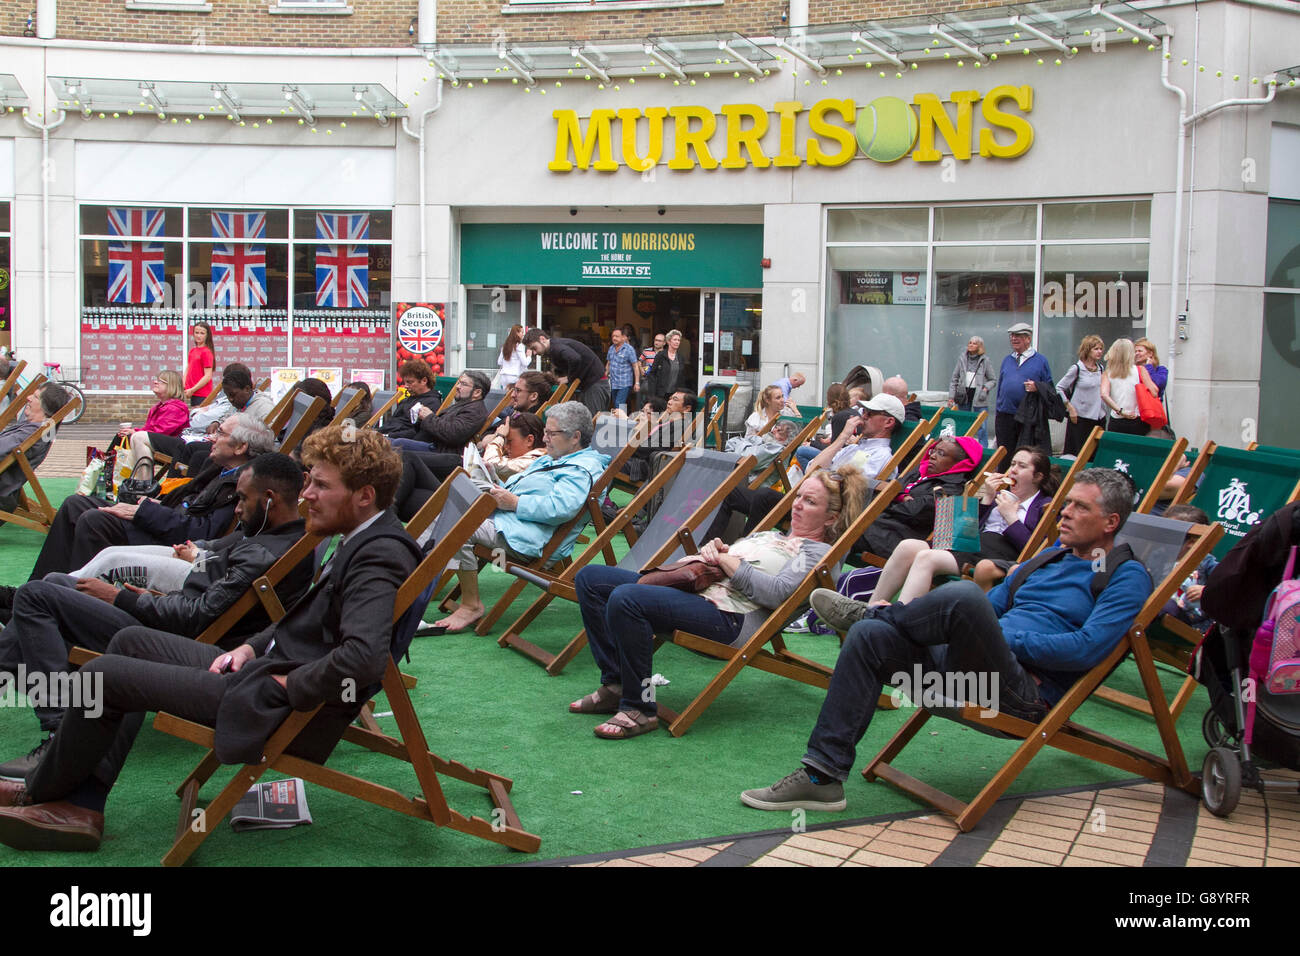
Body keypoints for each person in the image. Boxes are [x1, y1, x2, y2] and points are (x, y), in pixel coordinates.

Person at [0, 424, 420, 851]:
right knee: (128, 641)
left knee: (106, 675)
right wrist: (250, 646)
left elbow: (363, 658)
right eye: (309, 480)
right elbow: (306, 619)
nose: (306, 493)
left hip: (275, 703)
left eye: (321, 485)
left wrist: (289, 684)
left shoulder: (378, 554)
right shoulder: (362, 538)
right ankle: (79, 802)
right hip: (262, 670)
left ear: (365, 495)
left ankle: (43, 791)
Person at [739, 469, 1151, 812]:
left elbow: (1087, 648)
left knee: (963, 595)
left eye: (1081, 507)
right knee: (868, 636)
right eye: (1067, 503)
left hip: (1018, 694)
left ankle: (876, 611)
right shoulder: (1045, 559)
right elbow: (994, 610)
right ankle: (821, 777)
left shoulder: (1124, 575)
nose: (1065, 513)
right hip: (965, 674)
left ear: (1110, 522)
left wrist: (1007, 639)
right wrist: (992, 633)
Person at [0, 453, 312, 780]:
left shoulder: (261, 551)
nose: (236, 508)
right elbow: (204, 591)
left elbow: (197, 616)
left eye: (243, 500)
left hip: (170, 638)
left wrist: (119, 597)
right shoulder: (270, 537)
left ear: (269, 499)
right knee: (53, 584)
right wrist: (149, 597)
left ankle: (57, 732)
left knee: (36, 596)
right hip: (165, 619)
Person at [568, 467, 871, 739]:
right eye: (799, 496)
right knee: (591, 579)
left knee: (627, 599)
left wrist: (729, 561)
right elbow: (732, 563)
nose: (797, 504)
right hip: (699, 595)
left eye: (810, 502)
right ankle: (616, 685)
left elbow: (779, 593)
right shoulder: (771, 535)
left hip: (729, 618)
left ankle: (640, 707)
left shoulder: (817, 555)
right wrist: (720, 550)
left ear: (831, 517)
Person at [25, 413, 275, 581]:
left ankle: (72, 598)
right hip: (168, 520)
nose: (211, 438)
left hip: (176, 540)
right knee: (74, 505)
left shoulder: (242, 483)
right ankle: (40, 586)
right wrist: (156, 505)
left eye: (220, 433)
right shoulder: (224, 469)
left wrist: (145, 511)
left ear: (241, 447)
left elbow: (204, 532)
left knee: (94, 520)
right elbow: (191, 508)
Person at [431, 402, 609, 633]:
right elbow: (529, 492)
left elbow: (561, 508)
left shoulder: (581, 469)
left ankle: (470, 604)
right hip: (514, 526)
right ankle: (413, 582)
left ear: (575, 437)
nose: (544, 439)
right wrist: (493, 480)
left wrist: (515, 503)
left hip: (529, 540)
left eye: (550, 433)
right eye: (545, 432)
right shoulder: (556, 458)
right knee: (445, 514)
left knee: (459, 527)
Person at [868, 446, 1058, 604]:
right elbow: (967, 529)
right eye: (1012, 464)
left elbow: (1035, 551)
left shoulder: (1044, 506)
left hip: (997, 554)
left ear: (1038, 476)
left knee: (927, 558)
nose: (1013, 470)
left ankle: (900, 621)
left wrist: (1011, 519)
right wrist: (988, 499)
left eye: (1022, 466)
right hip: (970, 545)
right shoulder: (1001, 496)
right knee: (907, 545)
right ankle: (870, 609)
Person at [704, 394, 904, 544]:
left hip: (827, 515)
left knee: (764, 497)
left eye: (870, 413)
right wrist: (842, 437)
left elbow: (850, 491)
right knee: (731, 492)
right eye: (864, 412)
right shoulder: (852, 447)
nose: (864, 416)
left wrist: (824, 475)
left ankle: (744, 549)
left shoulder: (883, 457)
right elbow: (811, 469)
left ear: (888, 422)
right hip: (808, 501)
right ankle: (706, 546)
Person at [856, 435, 983, 557]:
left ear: (959, 463)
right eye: (934, 451)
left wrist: (887, 498)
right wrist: (901, 496)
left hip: (895, 538)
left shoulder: (951, 488)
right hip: (877, 524)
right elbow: (889, 488)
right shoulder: (920, 472)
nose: (932, 456)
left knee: (843, 529)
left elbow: (913, 510)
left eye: (941, 454)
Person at [145, 363, 274, 469]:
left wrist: (223, 437)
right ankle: (173, 487)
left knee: (196, 452)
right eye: (228, 396)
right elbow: (225, 419)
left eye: (233, 395)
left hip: (243, 451)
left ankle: (183, 489)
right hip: (229, 443)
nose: (231, 399)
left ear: (247, 389)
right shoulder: (239, 403)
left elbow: (264, 439)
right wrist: (217, 424)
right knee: (188, 447)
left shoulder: (263, 406)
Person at [0, 384, 70, 509]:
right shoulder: (37, 429)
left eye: (36, 397)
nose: (28, 398)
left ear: (45, 408)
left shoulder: (32, 434)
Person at [390, 370, 489, 456]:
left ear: (477, 392)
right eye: (459, 383)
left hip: (442, 452)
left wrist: (428, 417)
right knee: (384, 443)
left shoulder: (475, 411)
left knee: (396, 444)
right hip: (433, 444)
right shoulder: (465, 405)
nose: (458, 386)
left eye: (463, 384)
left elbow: (453, 434)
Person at [994, 322, 1052, 452]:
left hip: (1027, 418)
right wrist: (998, 409)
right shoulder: (1007, 360)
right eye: (1012, 335)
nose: (1013, 338)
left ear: (1028, 339)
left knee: (1023, 455)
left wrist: (1037, 386)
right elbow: (1000, 388)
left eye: (1018, 335)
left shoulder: (1040, 361)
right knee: (1003, 455)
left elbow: (1050, 390)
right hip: (1005, 416)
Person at [524, 329, 610, 414]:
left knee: (593, 422)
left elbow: (574, 359)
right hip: (593, 384)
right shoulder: (555, 346)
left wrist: (569, 378)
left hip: (594, 384)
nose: (534, 353)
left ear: (542, 339)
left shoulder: (556, 347)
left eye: (534, 348)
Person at [121, 370, 189, 467]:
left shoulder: (175, 408)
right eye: (157, 380)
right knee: (123, 436)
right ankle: (107, 469)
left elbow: (161, 431)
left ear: (171, 386)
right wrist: (133, 431)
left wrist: (135, 432)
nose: (155, 382)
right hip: (159, 442)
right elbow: (149, 429)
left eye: (161, 381)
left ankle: (144, 479)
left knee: (137, 437)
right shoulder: (157, 407)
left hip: (174, 448)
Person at [1056, 335, 1106, 456]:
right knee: (1078, 453)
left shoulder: (1101, 369)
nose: (1099, 352)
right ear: (1087, 350)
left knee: (1094, 454)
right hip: (1080, 418)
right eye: (1096, 349)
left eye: (1101, 349)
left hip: (1098, 417)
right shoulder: (1077, 368)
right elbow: (1059, 388)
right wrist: (1070, 408)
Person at [375, 358, 443, 441]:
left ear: (424, 381)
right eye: (405, 382)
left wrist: (386, 436)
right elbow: (392, 422)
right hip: (387, 436)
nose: (406, 386)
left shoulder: (432, 403)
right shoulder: (406, 400)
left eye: (410, 382)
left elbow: (416, 432)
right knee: (356, 437)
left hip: (398, 442)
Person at [1101, 338, 1154, 436]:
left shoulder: (1107, 373)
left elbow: (1104, 395)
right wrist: (1149, 367)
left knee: (1117, 450)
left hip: (1116, 420)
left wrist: (1120, 411)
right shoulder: (1140, 370)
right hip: (1138, 419)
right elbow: (1154, 391)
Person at [948, 336, 994, 445]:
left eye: (974, 343)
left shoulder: (985, 360)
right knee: (964, 423)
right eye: (970, 342)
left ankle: (983, 448)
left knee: (981, 425)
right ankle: (963, 446)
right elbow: (954, 378)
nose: (971, 345)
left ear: (979, 346)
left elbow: (993, 380)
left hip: (979, 396)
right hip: (964, 395)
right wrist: (951, 396)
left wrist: (985, 388)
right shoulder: (962, 359)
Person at [605, 326, 641, 412]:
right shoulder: (611, 348)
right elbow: (608, 364)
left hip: (624, 383)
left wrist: (637, 382)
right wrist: (604, 376)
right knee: (616, 403)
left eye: (617, 336)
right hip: (613, 382)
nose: (614, 338)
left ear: (623, 337)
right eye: (613, 336)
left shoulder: (629, 349)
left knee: (619, 404)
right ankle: (623, 421)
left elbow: (635, 366)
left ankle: (620, 423)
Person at [645, 329, 685, 402]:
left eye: (679, 340)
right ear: (668, 341)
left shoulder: (680, 358)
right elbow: (652, 374)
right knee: (659, 413)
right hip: (661, 394)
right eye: (675, 339)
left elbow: (681, 377)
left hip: (674, 395)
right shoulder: (660, 356)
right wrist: (652, 395)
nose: (677, 342)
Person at [183, 321, 215, 406]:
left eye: (202, 333)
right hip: (192, 392)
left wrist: (193, 389)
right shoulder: (192, 351)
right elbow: (188, 368)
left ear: (207, 335)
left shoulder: (206, 352)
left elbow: (208, 376)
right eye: (196, 332)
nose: (198, 335)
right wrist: (184, 384)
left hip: (202, 394)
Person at [496, 324, 529, 388]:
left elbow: (499, 362)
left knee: (505, 396)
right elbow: (525, 363)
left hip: (503, 376)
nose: (523, 334)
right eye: (522, 332)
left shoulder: (505, 346)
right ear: (516, 333)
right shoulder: (519, 346)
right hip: (514, 376)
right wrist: (529, 356)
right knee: (513, 396)